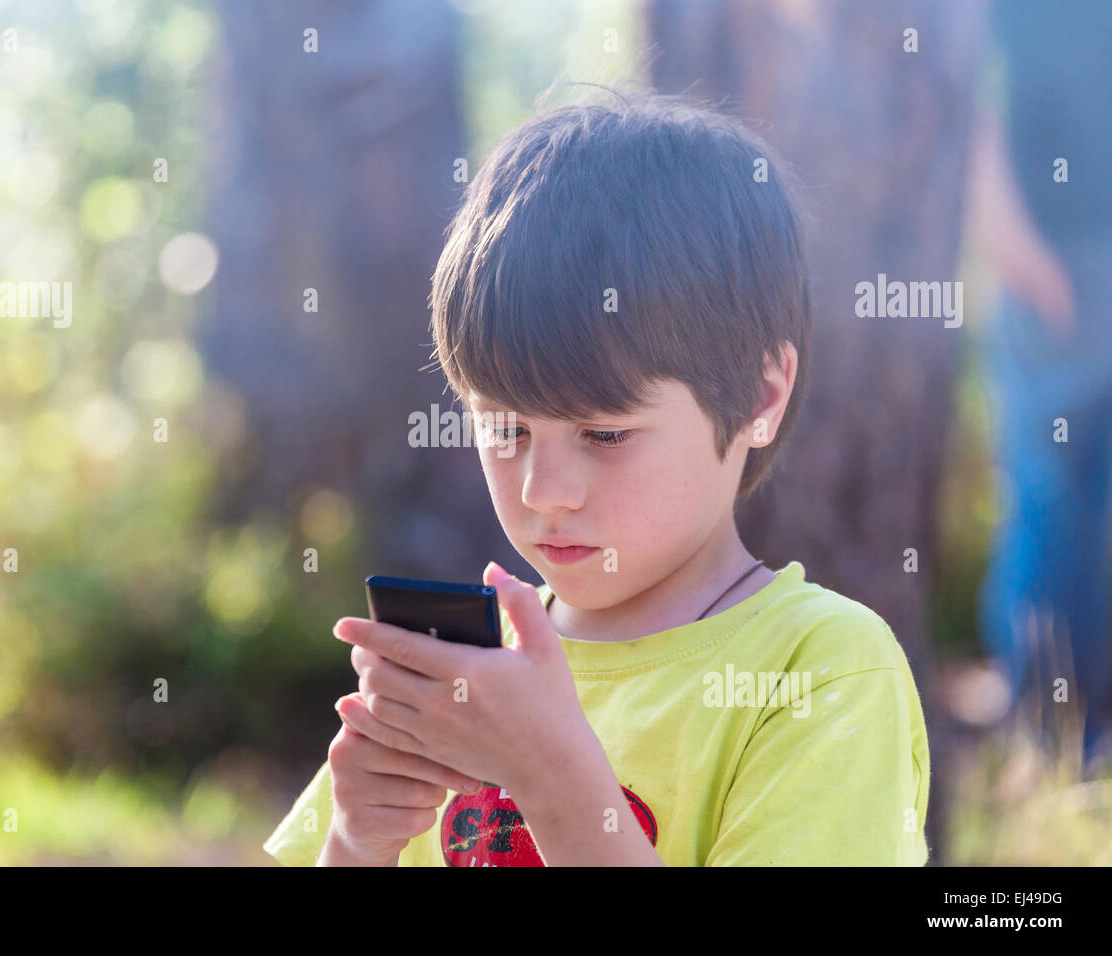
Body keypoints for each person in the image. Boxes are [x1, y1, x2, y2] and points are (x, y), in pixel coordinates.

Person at [263, 88, 930, 865]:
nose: (545, 490)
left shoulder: (817, 667)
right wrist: (358, 838)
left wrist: (550, 776)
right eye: (505, 429)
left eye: (605, 433)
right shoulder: (477, 676)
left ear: (760, 394)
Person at [971, 0, 1112, 772]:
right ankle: (1047, 738)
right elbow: (965, 103)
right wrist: (1013, 245)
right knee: (1048, 504)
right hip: (1049, 271)